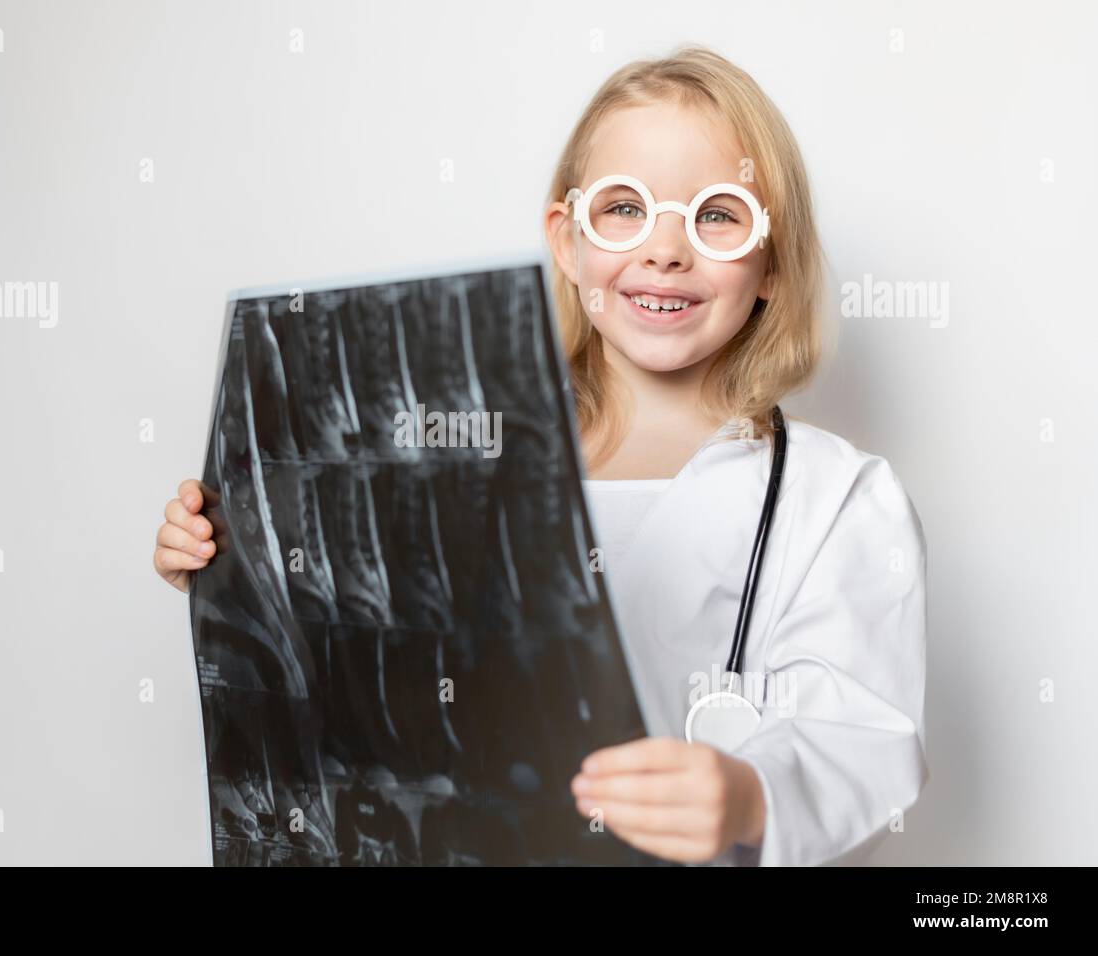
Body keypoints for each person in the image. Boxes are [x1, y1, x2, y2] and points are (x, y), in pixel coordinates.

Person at [154, 46, 928, 867]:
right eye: (624, 209)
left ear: (772, 260)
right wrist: (232, 562)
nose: (666, 249)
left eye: (717, 214)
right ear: (566, 240)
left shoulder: (834, 496)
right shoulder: (462, 458)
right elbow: (364, 660)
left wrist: (748, 793)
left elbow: (861, 738)